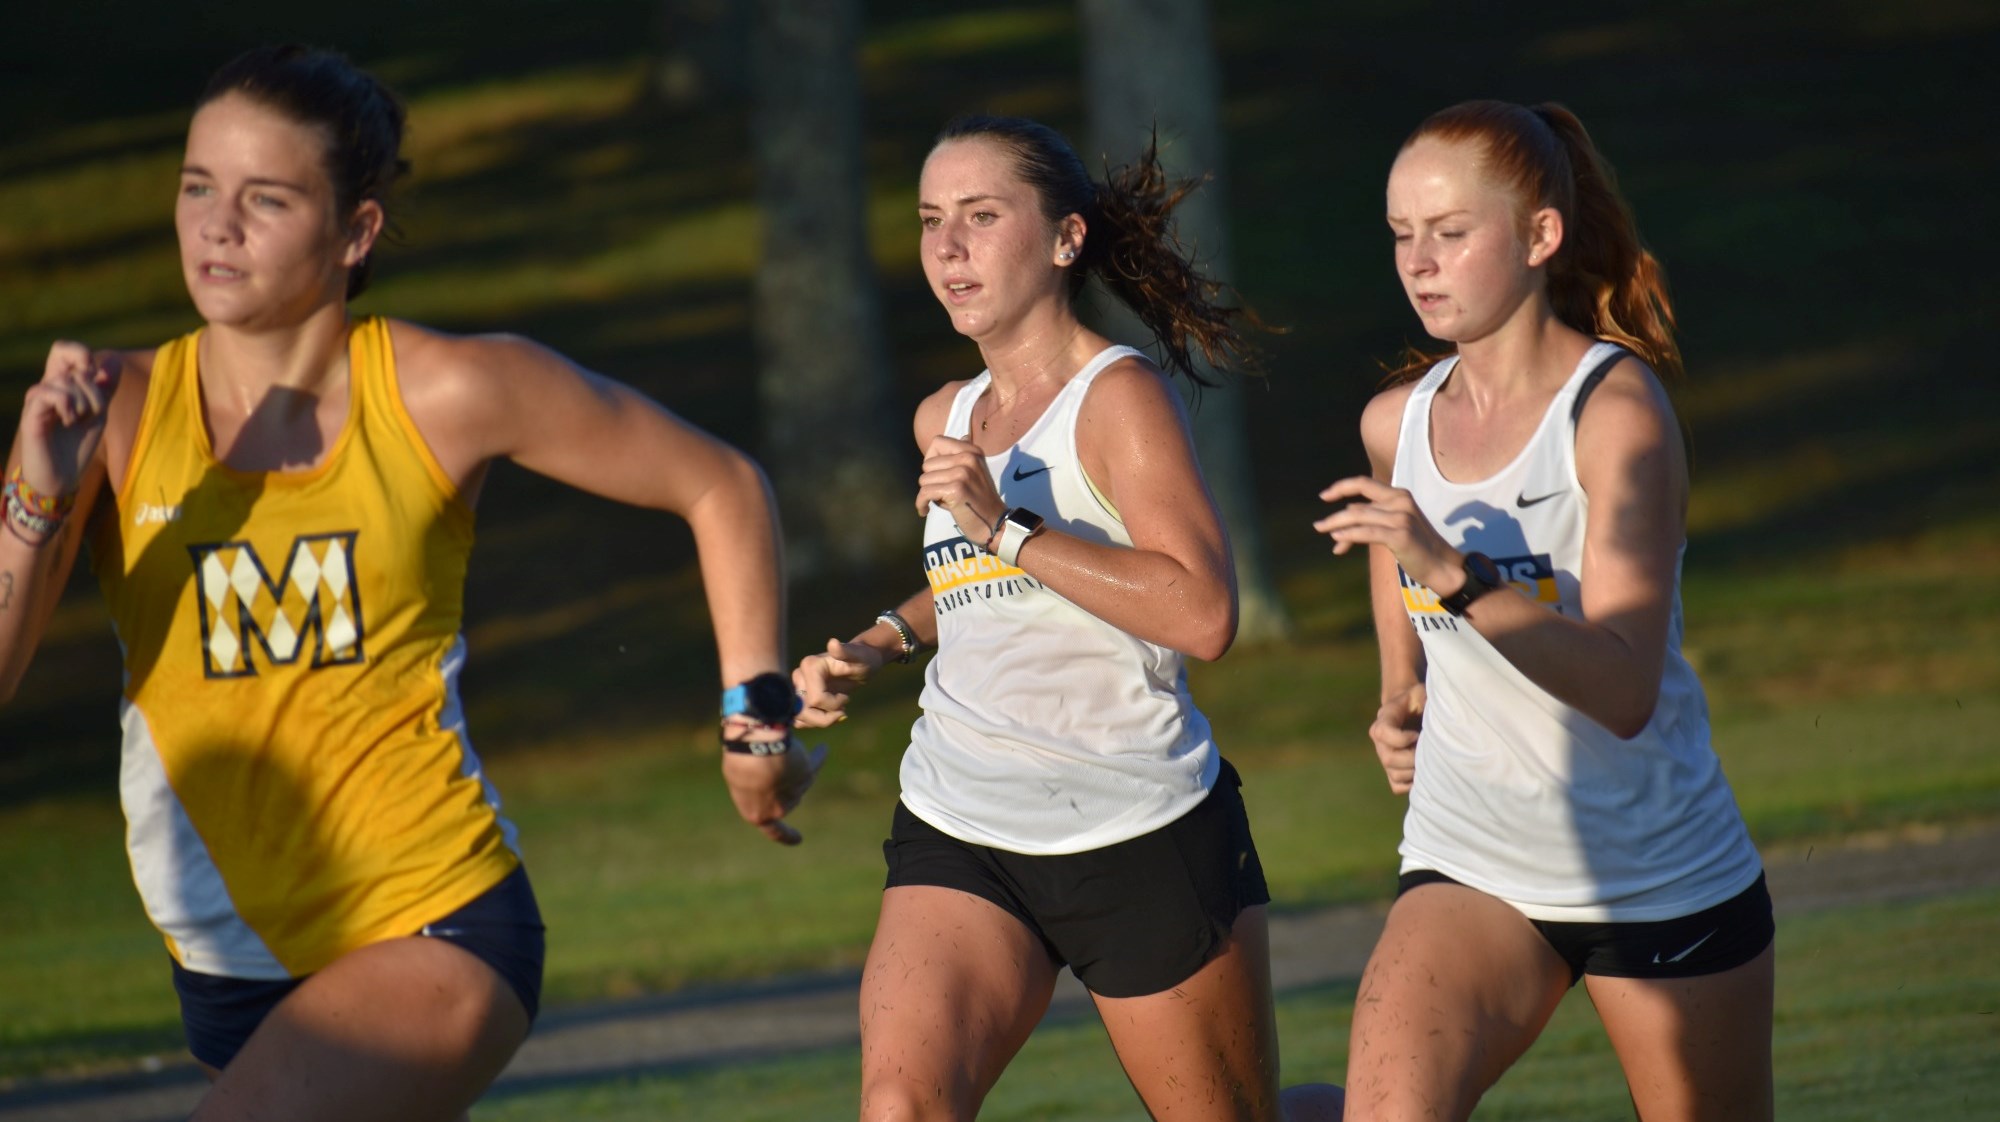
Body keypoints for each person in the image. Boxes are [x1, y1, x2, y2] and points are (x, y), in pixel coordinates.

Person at [0, 44, 820, 1122]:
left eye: (266, 198)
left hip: (431, 922)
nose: (216, 226)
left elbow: (718, 485)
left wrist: (753, 722)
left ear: (356, 232)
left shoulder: (445, 388)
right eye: (197, 186)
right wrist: (38, 494)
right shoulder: (110, 411)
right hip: (226, 959)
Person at [791, 115, 1342, 1122]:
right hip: (961, 819)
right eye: (928, 221)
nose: (947, 247)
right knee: (899, 1108)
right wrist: (882, 637)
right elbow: (970, 581)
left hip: (1135, 827)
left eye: (981, 216)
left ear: (1063, 240)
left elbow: (1202, 611)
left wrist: (1004, 529)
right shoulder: (944, 416)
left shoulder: (1116, 400)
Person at [1313, 99, 1774, 1121]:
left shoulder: (1614, 414)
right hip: (1470, 860)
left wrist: (1453, 574)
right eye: (1399, 236)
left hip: (1651, 869)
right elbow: (1392, 541)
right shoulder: (1396, 421)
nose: (1417, 262)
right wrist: (1401, 690)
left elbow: (1620, 688)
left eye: (1448, 232)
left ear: (1538, 236)